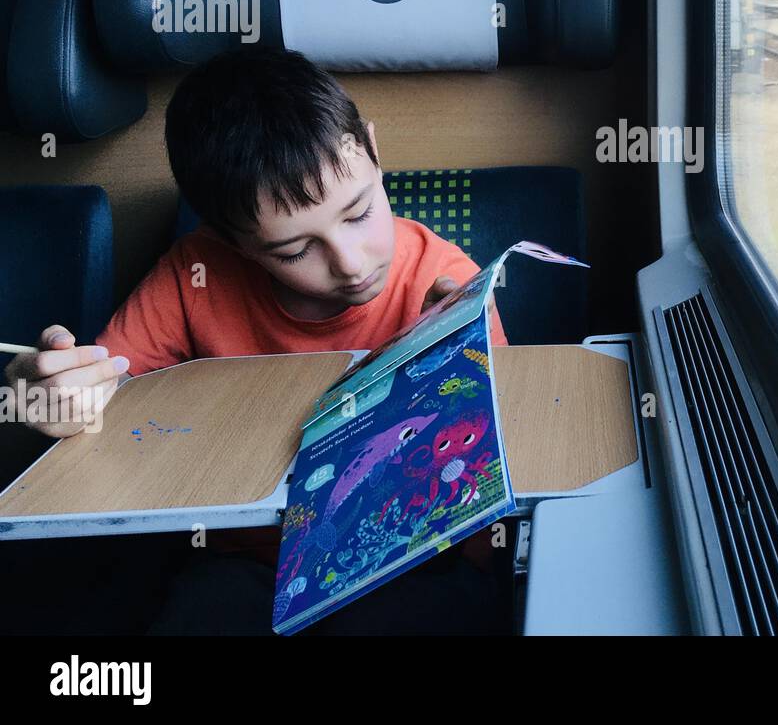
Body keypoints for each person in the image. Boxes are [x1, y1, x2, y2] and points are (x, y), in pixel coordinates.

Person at [2, 47, 512, 635]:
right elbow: (106, 392)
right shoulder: (195, 275)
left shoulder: (443, 282)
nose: (350, 264)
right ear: (230, 241)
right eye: (295, 251)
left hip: (409, 562)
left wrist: (452, 357)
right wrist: (43, 394)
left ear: (372, 150)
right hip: (249, 568)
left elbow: (487, 473)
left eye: (359, 211)